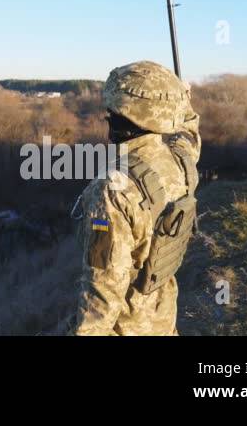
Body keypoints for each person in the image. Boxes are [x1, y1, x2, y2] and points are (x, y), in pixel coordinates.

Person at [72, 61, 201, 336]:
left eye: (111, 112)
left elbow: (102, 294)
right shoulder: (180, 162)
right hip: (162, 319)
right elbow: (189, 136)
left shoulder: (112, 190)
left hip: (127, 327)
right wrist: (183, 104)